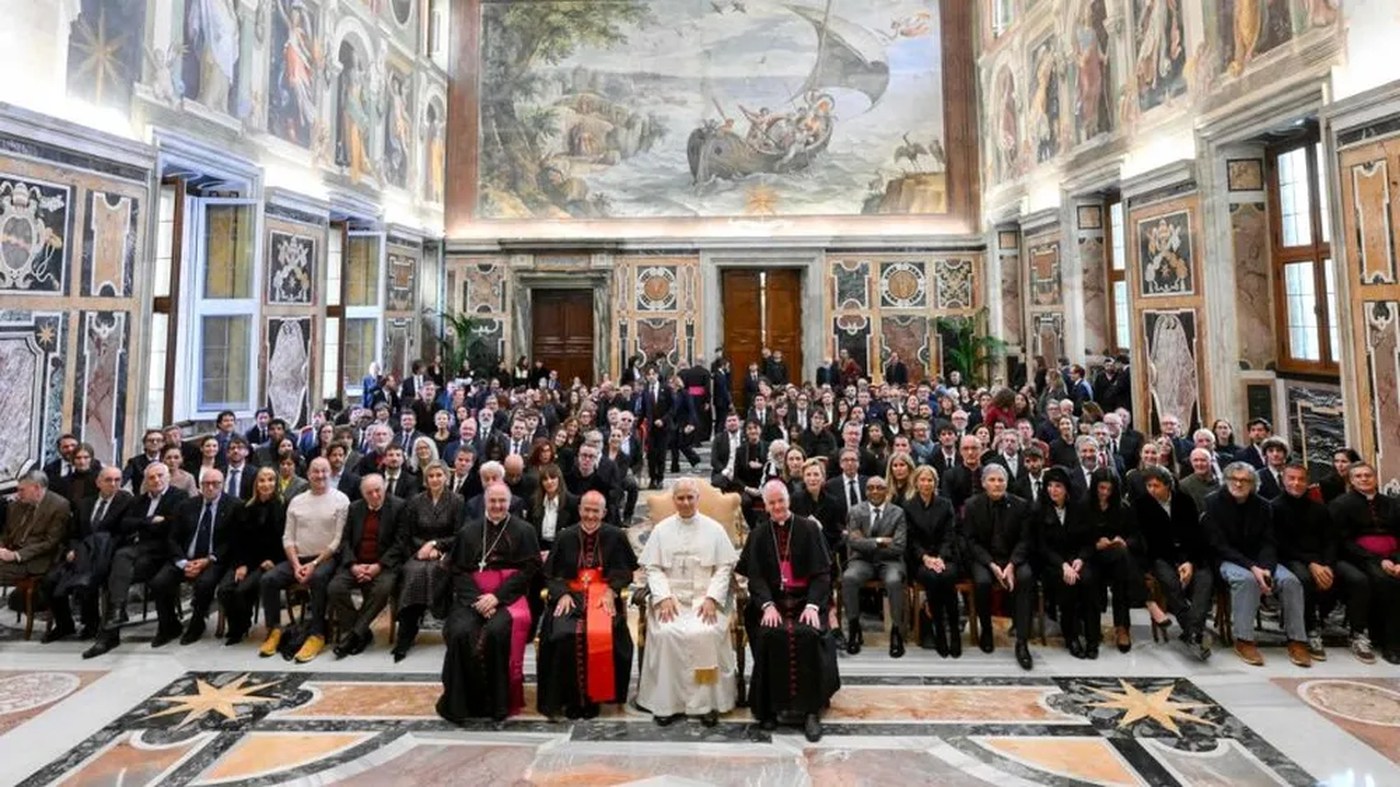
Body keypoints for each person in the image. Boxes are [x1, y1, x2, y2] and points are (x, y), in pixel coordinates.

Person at [738, 480, 837, 742]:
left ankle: (811, 711)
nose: (777, 507)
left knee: (809, 634)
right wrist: (767, 605)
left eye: (781, 501)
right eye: (771, 503)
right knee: (770, 634)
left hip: (806, 601)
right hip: (774, 602)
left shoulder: (808, 528)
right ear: (766, 507)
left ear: (788, 501)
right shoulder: (759, 534)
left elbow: (822, 574)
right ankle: (770, 706)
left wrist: (815, 605)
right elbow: (755, 577)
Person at [637, 478, 739, 726]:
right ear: (674, 500)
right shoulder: (662, 530)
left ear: (697, 499)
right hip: (671, 601)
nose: (685, 502)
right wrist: (662, 597)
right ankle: (667, 704)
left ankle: (707, 705)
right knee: (666, 633)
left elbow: (724, 567)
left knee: (705, 632)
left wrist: (713, 598)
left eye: (689, 498)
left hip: (704, 600)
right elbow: (653, 567)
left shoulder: (714, 529)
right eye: (680, 498)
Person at [437, 482, 541, 723]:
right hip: (472, 598)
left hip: (508, 598)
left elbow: (528, 571)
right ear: (485, 502)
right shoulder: (468, 532)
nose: (497, 506)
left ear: (510, 502)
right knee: (460, 632)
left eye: (502, 501)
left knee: (496, 631)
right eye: (492, 501)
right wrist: (478, 600)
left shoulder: (524, 531)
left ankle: (497, 704)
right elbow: (459, 571)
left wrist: (497, 597)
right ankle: (461, 703)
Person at [537, 491, 637, 720]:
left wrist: (612, 590)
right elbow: (550, 574)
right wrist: (561, 593)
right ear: (580, 510)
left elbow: (626, 571)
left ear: (604, 512)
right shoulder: (565, 537)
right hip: (570, 597)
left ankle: (595, 698)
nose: (591, 515)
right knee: (564, 634)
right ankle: (570, 698)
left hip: (602, 596)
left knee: (602, 633)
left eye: (596, 511)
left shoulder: (616, 536)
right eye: (587, 510)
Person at [1204, 462, 1311, 667]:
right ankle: (1244, 639)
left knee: (1290, 581)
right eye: (1234, 479)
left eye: (1244, 480)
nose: (1238, 483)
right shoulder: (1213, 503)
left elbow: (1268, 541)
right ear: (1226, 481)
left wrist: (1267, 569)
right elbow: (1218, 545)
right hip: (1228, 559)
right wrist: (1253, 568)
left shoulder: (1263, 505)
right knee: (1247, 580)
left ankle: (1297, 639)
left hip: (1260, 560)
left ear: (1253, 484)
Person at [259, 457, 350, 664]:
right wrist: (296, 565)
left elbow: (338, 540)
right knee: (268, 580)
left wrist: (314, 564)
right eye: (315, 471)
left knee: (317, 578)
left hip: (326, 559)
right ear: (308, 474)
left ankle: (316, 634)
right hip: (297, 560)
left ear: (331, 473)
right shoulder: (297, 501)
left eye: (324, 471)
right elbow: (288, 537)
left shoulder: (341, 499)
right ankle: (274, 630)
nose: (320, 476)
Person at [147, 468, 239, 647]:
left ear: (222, 485)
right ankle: (168, 625)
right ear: (200, 485)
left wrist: (209, 559)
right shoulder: (187, 505)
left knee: (205, 584)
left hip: (214, 560)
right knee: (159, 583)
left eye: (215, 484)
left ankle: (197, 624)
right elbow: (173, 537)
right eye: (206, 484)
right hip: (184, 559)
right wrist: (183, 562)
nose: (210, 488)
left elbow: (231, 542)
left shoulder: (233, 506)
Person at [44, 465, 130, 641]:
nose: (113, 484)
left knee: (88, 578)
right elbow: (74, 533)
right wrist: (72, 550)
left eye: (117, 480)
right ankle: (64, 624)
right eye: (108, 480)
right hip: (80, 552)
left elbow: (123, 534)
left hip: (107, 554)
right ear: (98, 482)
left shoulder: (126, 502)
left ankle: (91, 624)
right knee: (50, 581)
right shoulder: (85, 503)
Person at [962, 464, 1035, 669]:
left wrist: (1012, 565)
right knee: (982, 581)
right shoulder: (972, 504)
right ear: (984, 483)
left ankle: (1022, 641)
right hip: (985, 559)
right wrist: (991, 565)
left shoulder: (1020, 505)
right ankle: (986, 630)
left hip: (1013, 558)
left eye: (1001, 480)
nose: (997, 484)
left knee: (1026, 577)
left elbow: (1025, 540)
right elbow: (971, 541)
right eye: (992, 480)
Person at [328, 474, 407, 659]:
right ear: (363, 494)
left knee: (382, 590)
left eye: (378, 490)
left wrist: (378, 567)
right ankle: (361, 633)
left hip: (384, 565)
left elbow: (400, 543)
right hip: (356, 563)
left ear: (384, 488)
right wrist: (354, 565)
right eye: (369, 492)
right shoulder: (355, 508)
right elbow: (345, 541)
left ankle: (353, 636)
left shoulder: (399, 506)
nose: (374, 495)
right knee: (335, 588)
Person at [1329, 462, 1400, 663]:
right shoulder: (1340, 504)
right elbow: (1342, 541)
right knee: (1388, 583)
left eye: (1367, 475)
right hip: (1359, 557)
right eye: (1358, 476)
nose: (1364, 479)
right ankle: (1391, 643)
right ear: (1351, 481)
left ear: (1375, 478)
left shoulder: (1392, 503)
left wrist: (1396, 560)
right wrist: (1377, 559)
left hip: (1393, 557)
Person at [395, 460, 464, 660]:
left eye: (439, 475)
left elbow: (459, 534)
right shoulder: (416, 501)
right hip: (419, 552)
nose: (435, 479)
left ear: (446, 477)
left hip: (445, 554)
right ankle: (406, 633)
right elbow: (409, 533)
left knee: (435, 571)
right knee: (411, 572)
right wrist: (423, 548)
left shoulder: (457, 500)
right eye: (431, 476)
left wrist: (435, 545)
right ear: (426, 479)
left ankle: (441, 622)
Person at [1272, 463, 1336, 661]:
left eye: (1301, 479)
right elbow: (1280, 544)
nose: (1296, 483)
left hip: (1319, 558)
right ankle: (1310, 628)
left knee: (1351, 578)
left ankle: (1358, 631)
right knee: (1305, 580)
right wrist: (1311, 563)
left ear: (1308, 482)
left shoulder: (1319, 508)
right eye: (1291, 478)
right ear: (1283, 481)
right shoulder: (1274, 507)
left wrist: (1328, 564)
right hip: (1291, 558)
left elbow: (1330, 540)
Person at [1035, 467, 1100, 660]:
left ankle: (1092, 639)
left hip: (1079, 559)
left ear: (1067, 489)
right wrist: (1063, 565)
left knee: (1089, 582)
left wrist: (1080, 559)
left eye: (1058, 486)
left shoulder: (1080, 508)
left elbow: (1089, 541)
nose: (1053, 490)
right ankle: (1071, 637)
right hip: (1052, 563)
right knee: (1067, 584)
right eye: (1050, 486)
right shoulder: (1038, 510)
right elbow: (1041, 547)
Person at [840, 475, 909, 658]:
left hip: (890, 562)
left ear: (886, 490)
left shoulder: (898, 512)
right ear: (865, 491)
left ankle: (896, 632)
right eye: (871, 488)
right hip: (862, 562)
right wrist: (879, 542)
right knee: (849, 578)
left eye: (879, 487)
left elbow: (899, 546)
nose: (875, 491)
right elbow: (853, 542)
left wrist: (866, 543)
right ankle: (854, 629)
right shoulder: (855, 511)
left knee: (894, 581)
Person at [217, 467, 285, 645]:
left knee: (242, 590)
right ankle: (237, 625)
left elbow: (285, 539)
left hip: (270, 562)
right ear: (255, 484)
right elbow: (237, 540)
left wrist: (273, 561)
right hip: (245, 561)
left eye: (270, 480)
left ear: (276, 483)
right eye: (262, 480)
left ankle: (240, 627)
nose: (266, 484)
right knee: (224, 590)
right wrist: (241, 564)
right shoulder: (244, 507)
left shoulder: (283, 506)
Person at [902, 465, 960, 656]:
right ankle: (940, 631)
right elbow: (910, 539)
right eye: (923, 480)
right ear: (916, 482)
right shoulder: (908, 506)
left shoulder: (945, 504)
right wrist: (925, 558)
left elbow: (949, 535)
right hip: (920, 559)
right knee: (933, 579)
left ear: (935, 483)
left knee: (948, 577)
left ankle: (954, 631)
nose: (926, 484)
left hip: (945, 556)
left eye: (930, 480)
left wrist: (941, 557)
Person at [1086, 469, 1143, 653]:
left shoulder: (1122, 507)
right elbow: (1075, 537)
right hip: (1091, 557)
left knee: (1121, 568)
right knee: (1096, 575)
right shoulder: (1083, 506)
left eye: (1109, 489)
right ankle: (1147, 599)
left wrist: (1123, 541)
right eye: (1101, 488)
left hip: (1117, 561)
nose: (1105, 493)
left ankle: (1122, 627)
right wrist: (1095, 544)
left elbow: (1136, 536)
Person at [1, 471, 70, 594]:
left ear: (37, 488)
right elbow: (6, 532)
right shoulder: (16, 506)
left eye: (22, 490)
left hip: (34, 559)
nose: (18, 494)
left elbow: (50, 542)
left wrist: (17, 555)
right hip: (10, 552)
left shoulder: (59, 505)